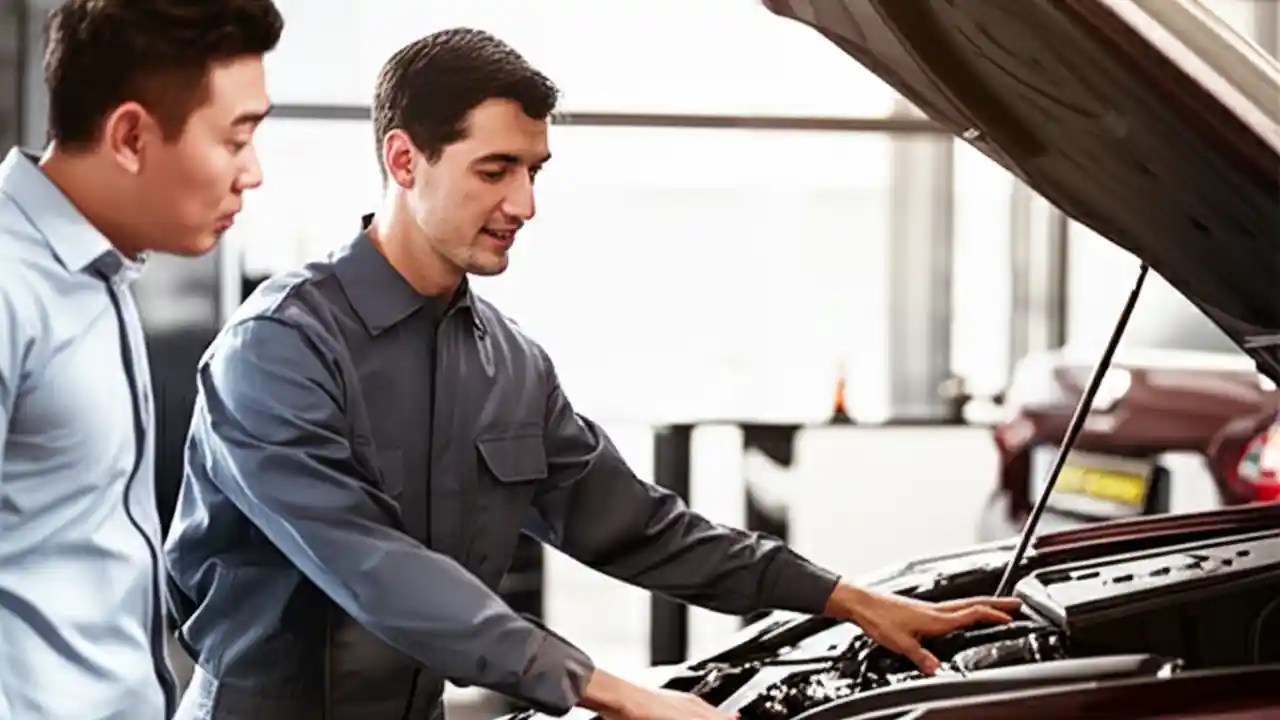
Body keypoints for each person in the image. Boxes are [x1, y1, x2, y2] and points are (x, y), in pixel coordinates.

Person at [164, 27, 1020, 720]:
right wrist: (608, 692)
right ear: (403, 159)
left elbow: (638, 527)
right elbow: (370, 564)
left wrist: (847, 599)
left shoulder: (510, 363)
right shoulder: (277, 349)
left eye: (533, 172)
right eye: (494, 170)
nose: (524, 205)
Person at [0, 1, 283, 718]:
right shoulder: (9, 283)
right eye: (236, 138)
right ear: (130, 135)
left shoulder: (98, 272)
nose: (252, 172)